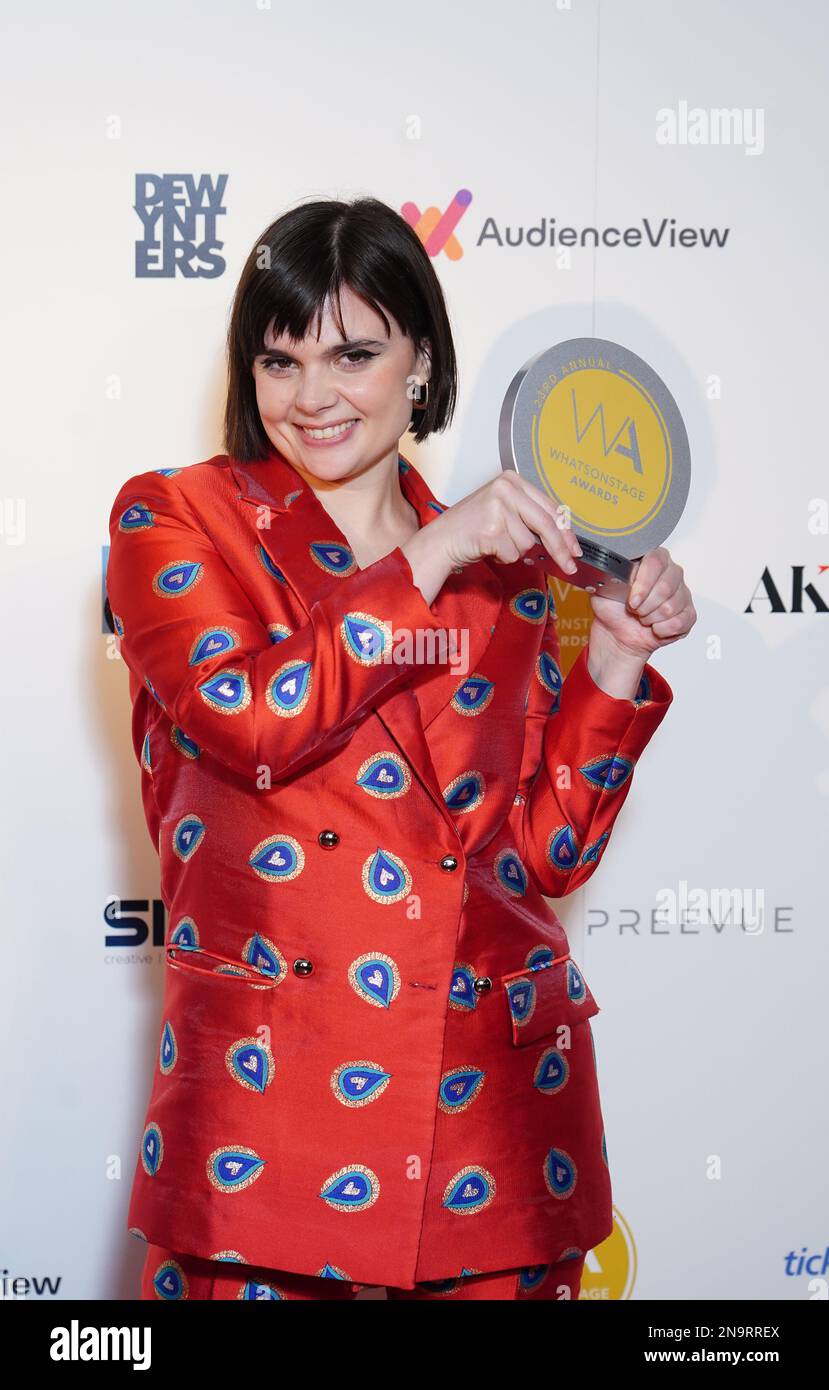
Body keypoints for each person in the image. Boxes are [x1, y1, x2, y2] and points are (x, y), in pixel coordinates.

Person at [106, 196, 696, 1302]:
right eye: (279, 362)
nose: (312, 396)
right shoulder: (177, 521)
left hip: (491, 1122)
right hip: (270, 1120)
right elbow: (252, 719)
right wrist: (428, 556)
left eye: (355, 353)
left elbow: (535, 860)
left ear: (421, 357)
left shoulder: (514, 573)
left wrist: (617, 653)